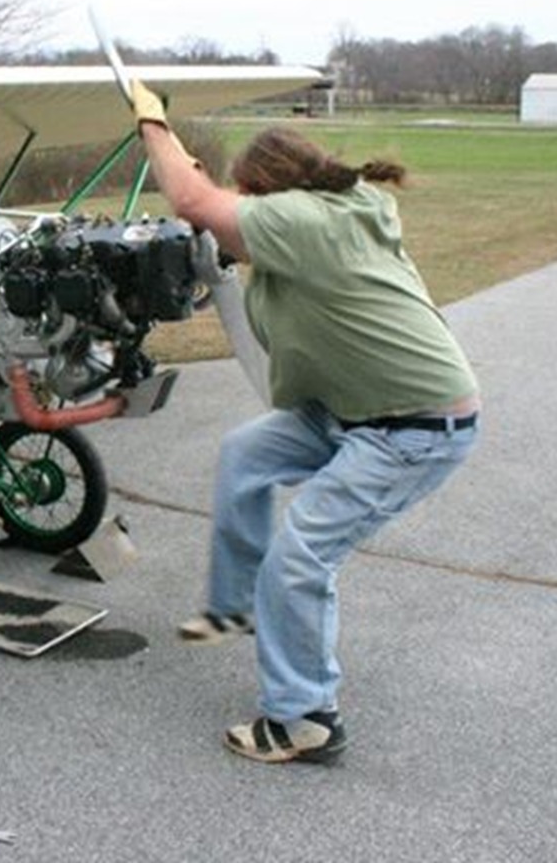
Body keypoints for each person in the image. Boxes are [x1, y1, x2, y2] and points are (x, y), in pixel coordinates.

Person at [129, 80, 479, 765]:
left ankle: (304, 719)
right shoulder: (326, 214)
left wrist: (153, 124)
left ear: (264, 190)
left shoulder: (308, 222)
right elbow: (225, 235)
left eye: (245, 198)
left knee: (298, 562)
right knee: (244, 455)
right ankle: (237, 606)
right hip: (347, 410)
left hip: (413, 428)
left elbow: (192, 201)